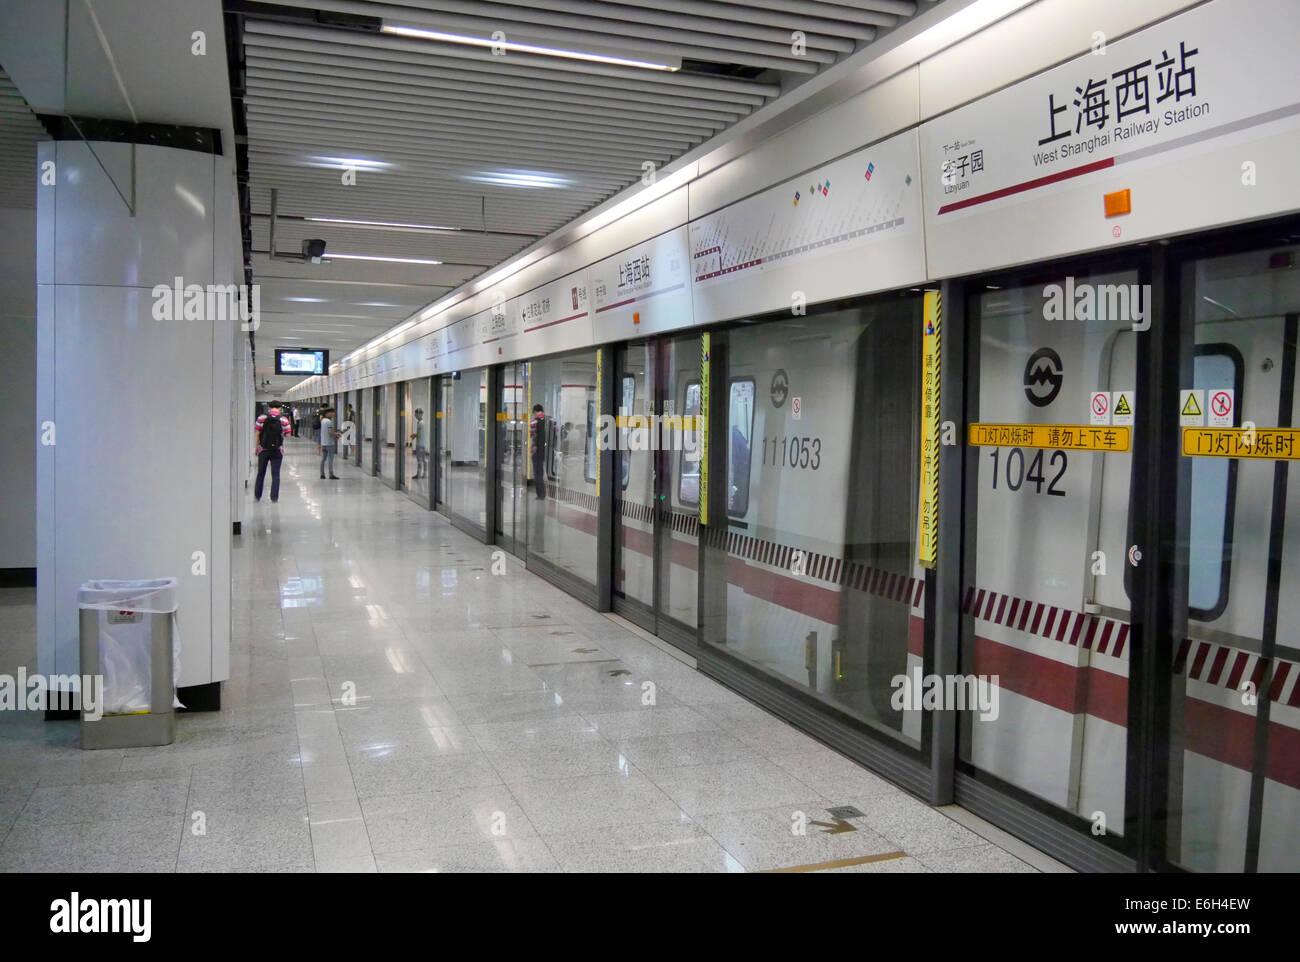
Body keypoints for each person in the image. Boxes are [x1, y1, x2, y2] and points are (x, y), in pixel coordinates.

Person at [254, 401, 292, 502]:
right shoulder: (283, 419)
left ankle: (258, 495)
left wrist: (256, 447)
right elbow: (288, 434)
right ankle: (274, 498)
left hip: (263, 449)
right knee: (275, 475)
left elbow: (257, 433)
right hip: (277, 450)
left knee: (260, 473)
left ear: (269, 407)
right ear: (280, 408)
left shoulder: (261, 418)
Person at [530, 404, 550, 500]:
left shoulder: (536, 421)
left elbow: (534, 435)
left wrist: (535, 447)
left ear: (535, 411)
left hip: (537, 450)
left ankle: (540, 494)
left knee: (537, 473)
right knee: (541, 472)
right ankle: (542, 493)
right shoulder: (548, 420)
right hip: (546, 450)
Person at [319, 406, 340, 479]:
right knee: (330, 459)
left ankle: (322, 474)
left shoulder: (323, 421)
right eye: (332, 412)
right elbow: (330, 432)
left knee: (323, 459)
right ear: (328, 413)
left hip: (323, 443)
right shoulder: (329, 421)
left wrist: (334, 434)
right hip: (329, 443)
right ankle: (331, 474)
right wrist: (336, 435)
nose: (333, 414)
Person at [409, 408, 429, 479]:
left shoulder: (420, 423)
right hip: (422, 444)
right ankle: (424, 474)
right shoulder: (421, 423)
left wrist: (414, 435)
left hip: (420, 445)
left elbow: (419, 434)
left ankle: (419, 474)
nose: (415, 415)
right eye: (415, 414)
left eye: (416, 414)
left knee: (420, 460)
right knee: (423, 459)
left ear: (420, 414)